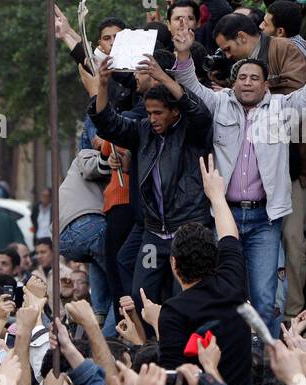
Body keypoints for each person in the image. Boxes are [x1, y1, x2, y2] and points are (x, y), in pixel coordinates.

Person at [168, 23, 306, 338]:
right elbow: (190, 85)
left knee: (263, 293)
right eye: (242, 77)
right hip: (224, 216)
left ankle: (265, 359)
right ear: (234, 83)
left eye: (254, 78)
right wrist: (183, 52)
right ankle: (225, 349)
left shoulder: (282, 108)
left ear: (266, 85)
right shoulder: (218, 103)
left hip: (264, 219)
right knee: (219, 289)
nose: (247, 82)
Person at [83, 49, 212, 318]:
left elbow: (199, 112)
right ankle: (142, 348)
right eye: (149, 113)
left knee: (184, 301)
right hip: (153, 234)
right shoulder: (142, 130)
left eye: (158, 113)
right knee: (141, 297)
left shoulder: (192, 132)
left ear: (175, 112)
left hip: (186, 231)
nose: (152, 118)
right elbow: (108, 124)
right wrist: (103, 85)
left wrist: (162, 77)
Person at [154, 157, 254, 385]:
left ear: (174, 263)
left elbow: (172, 384)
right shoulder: (232, 283)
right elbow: (230, 236)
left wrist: (155, 322)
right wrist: (217, 196)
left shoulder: (173, 312)